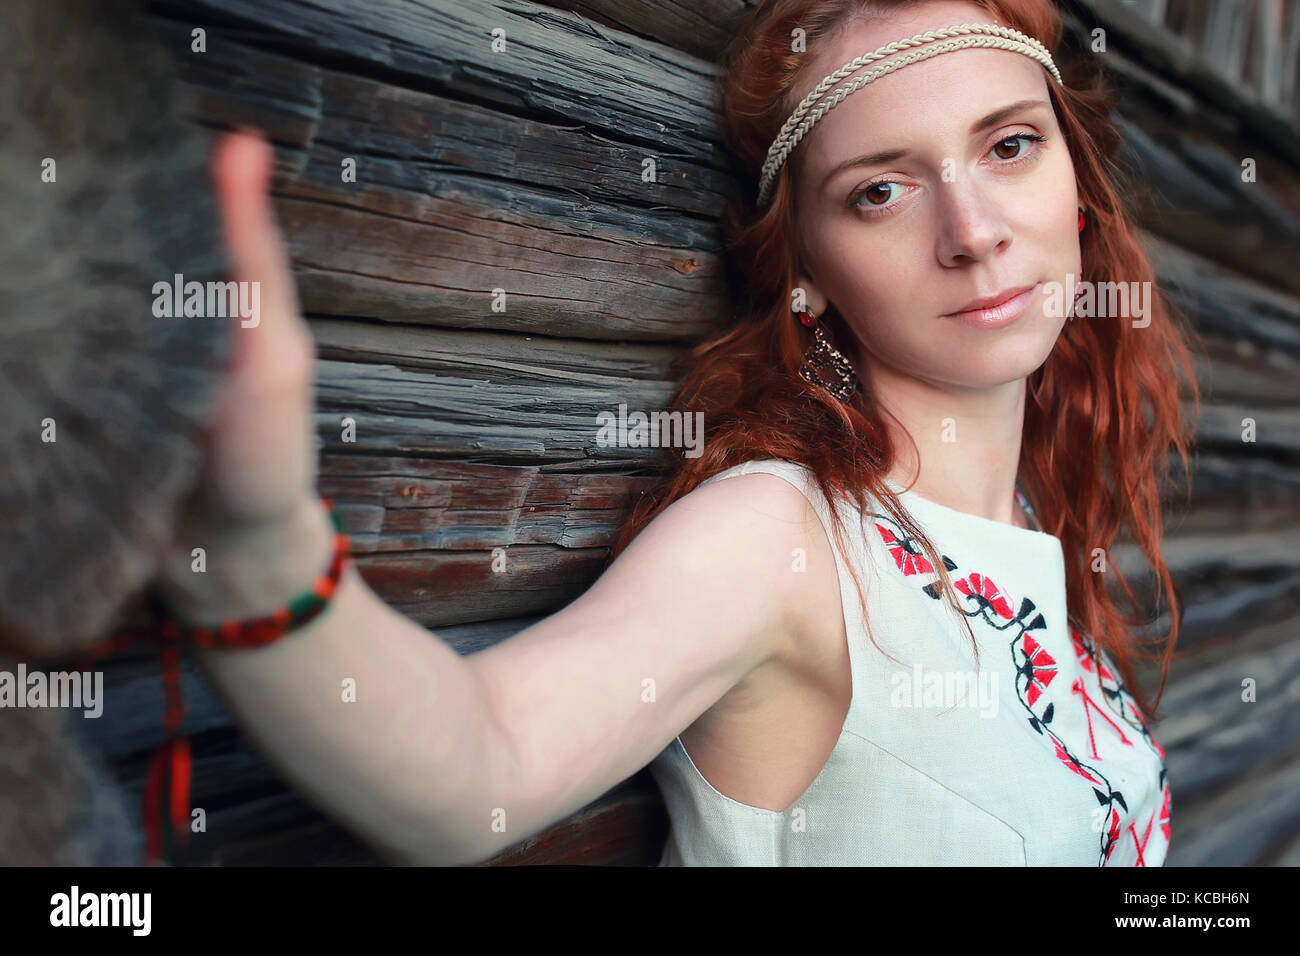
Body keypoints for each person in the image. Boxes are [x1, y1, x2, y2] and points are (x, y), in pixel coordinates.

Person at [155, 0, 1200, 866]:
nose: (972, 232)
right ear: (805, 271)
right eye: (878, 191)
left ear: (1074, 188)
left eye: (1009, 145)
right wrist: (255, 538)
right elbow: (479, 762)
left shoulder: (1023, 520)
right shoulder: (782, 534)